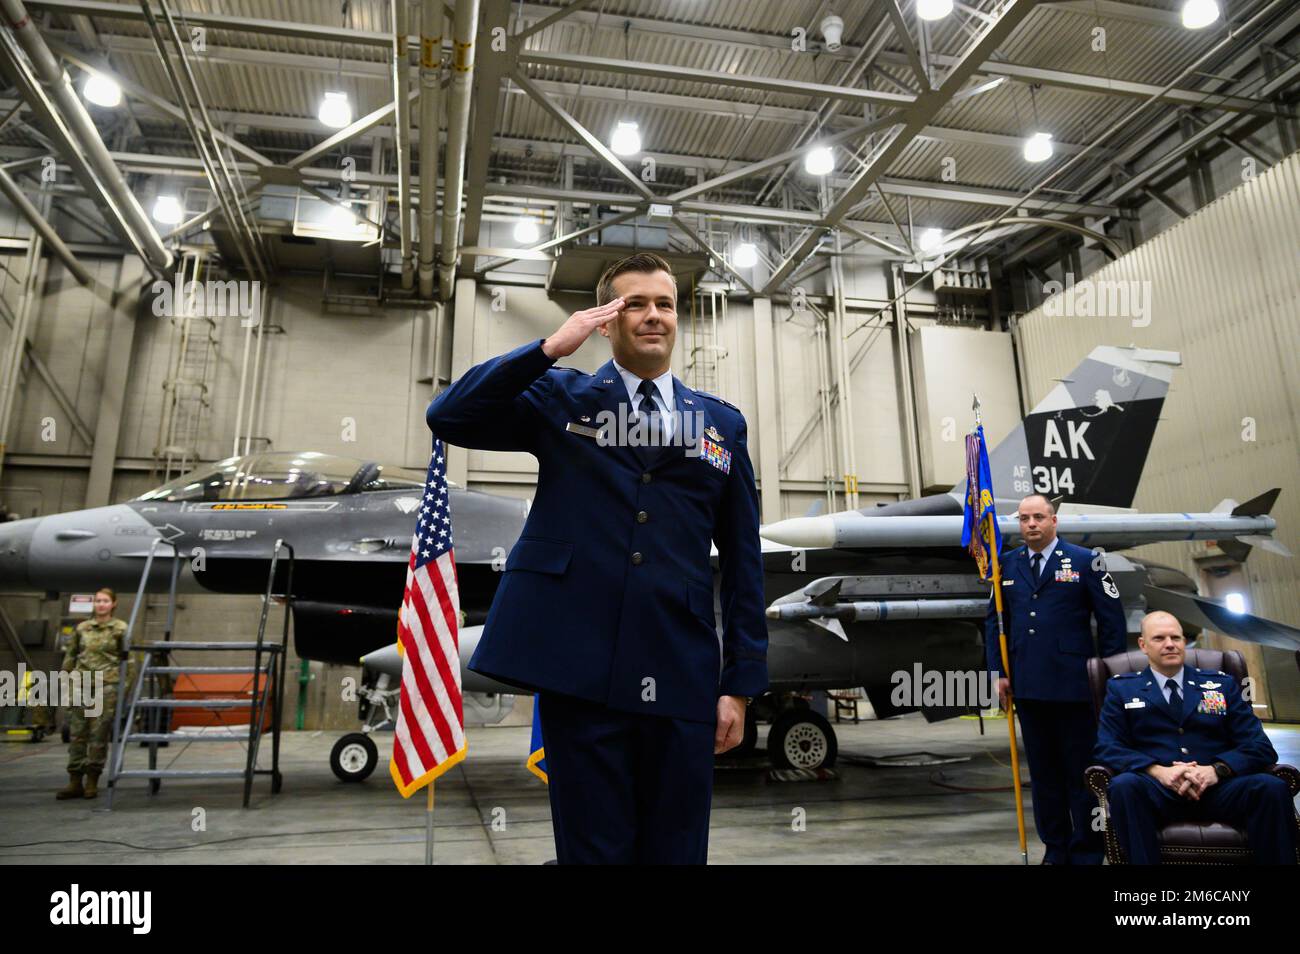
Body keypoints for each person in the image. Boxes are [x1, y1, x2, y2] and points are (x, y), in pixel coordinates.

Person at [426, 252, 768, 864]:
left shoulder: (722, 425)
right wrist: (549, 348)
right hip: (580, 672)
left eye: (664, 303)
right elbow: (450, 415)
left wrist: (738, 687)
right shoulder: (563, 398)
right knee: (593, 853)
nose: (652, 316)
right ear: (606, 320)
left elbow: (744, 564)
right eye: (634, 303)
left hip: (680, 671)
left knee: (677, 852)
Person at [986, 493, 1127, 864]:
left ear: (1053, 522)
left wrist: (1106, 675)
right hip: (1028, 689)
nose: (1030, 524)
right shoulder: (1007, 565)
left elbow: (1112, 622)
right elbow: (995, 622)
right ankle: (1056, 848)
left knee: (1081, 775)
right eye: (1024, 519)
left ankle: (1087, 850)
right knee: (1044, 778)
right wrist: (998, 673)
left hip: (1075, 688)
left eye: (1038, 518)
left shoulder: (1086, 561)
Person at [1096, 611, 1296, 864]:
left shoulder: (1221, 685)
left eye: (1176, 637)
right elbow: (1107, 747)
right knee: (1124, 787)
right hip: (1158, 791)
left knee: (1271, 788)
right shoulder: (1122, 689)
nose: (1170, 644)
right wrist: (1158, 771)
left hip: (1219, 789)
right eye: (1159, 638)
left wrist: (1217, 770)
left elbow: (1259, 746)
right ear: (1143, 645)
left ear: (1184, 642)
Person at [57, 587, 128, 800]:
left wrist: (124, 688)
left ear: (113, 604)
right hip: (81, 683)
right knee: (78, 733)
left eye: (105, 601)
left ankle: (92, 781)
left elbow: (128, 660)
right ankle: (75, 781)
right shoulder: (82, 629)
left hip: (106, 686)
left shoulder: (120, 629)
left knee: (98, 735)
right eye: (98, 601)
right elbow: (71, 656)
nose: (101, 604)